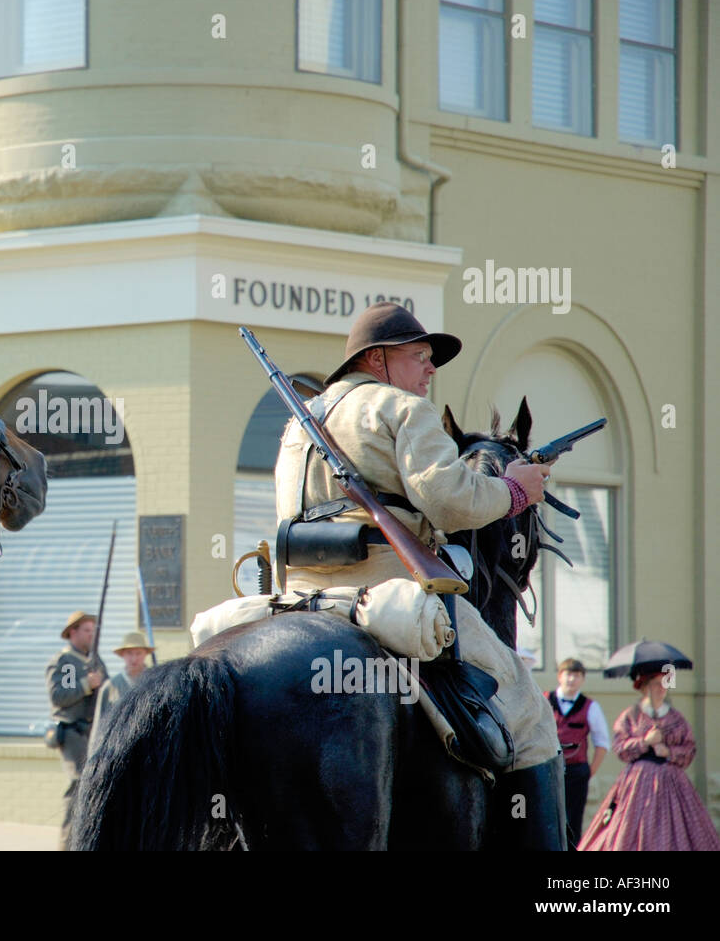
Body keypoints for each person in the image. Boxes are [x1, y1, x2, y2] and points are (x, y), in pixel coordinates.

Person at [274, 302, 565, 848]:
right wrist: (517, 488)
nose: (431, 371)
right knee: (532, 720)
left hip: (302, 601)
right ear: (378, 360)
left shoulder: (299, 421)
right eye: (420, 357)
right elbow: (452, 502)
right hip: (390, 592)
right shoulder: (404, 409)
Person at [578, 665, 720, 851]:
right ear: (644, 687)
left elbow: (689, 748)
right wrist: (645, 741)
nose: (660, 688)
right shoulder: (631, 716)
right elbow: (620, 747)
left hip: (672, 782)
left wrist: (668, 752)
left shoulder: (676, 718)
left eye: (664, 684)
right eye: (655, 684)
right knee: (631, 825)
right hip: (638, 781)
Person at [46, 610, 107, 849]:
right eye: (86, 630)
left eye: (93, 630)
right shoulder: (64, 662)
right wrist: (86, 684)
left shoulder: (95, 660)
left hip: (93, 733)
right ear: (73, 632)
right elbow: (58, 696)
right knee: (79, 785)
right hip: (72, 733)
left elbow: (107, 689)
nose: (91, 635)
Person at [547, 658, 610, 849]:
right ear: (560, 676)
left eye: (577, 675)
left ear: (582, 679)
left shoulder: (591, 706)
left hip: (576, 771)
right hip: (548, 769)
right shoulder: (544, 700)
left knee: (574, 820)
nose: (572, 679)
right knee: (547, 816)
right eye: (568, 674)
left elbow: (602, 743)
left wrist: (589, 772)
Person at [88, 630, 153, 754]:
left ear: (145, 654)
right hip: (118, 750)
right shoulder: (111, 687)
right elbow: (99, 725)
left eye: (138, 653)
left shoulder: (156, 682)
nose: (134, 658)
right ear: (123, 655)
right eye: (129, 653)